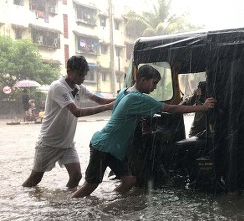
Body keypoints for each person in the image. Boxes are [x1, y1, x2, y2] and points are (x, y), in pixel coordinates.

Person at [72, 64, 216, 198]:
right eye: (154, 83)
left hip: (112, 149)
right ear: (143, 80)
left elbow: (132, 115)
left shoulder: (125, 91)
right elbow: (171, 109)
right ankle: (69, 204)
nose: (155, 87)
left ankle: (110, 204)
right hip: (103, 147)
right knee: (90, 186)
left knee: (129, 181)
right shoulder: (138, 98)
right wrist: (202, 108)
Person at [22, 55, 115, 188]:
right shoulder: (58, 87)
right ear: (69, 71)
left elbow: (99, 100)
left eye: (84, 75)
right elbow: (76, 111)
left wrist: (123, 98)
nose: (82, 78)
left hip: (67, 143)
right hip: (49, 142)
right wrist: (107, 108)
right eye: (80, 75)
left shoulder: (78, 87)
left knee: (76, 176)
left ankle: (66, 202)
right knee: (35, 179)